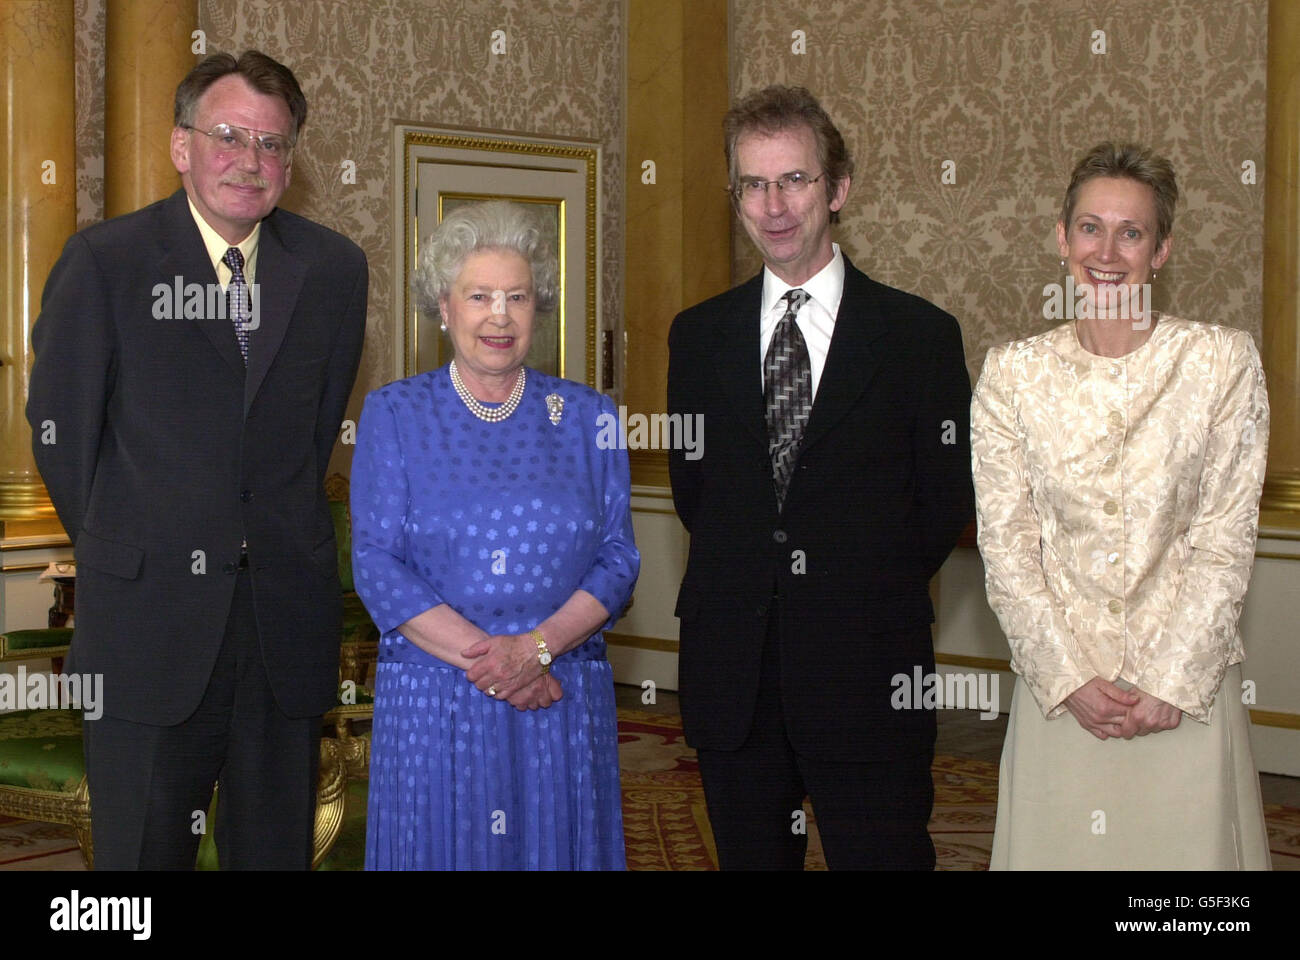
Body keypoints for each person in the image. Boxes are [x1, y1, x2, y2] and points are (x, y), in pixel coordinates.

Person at [26, 50, 367, 870]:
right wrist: (135, 543)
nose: (252, 162)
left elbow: (314, 434)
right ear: (181, 146)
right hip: (148, 629)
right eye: (229, 137)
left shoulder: (331, 271)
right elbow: (61, 433)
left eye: (273, 144)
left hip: (281, 626)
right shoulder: (106, 263)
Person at [666, 85, 974, 870]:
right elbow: (695, 493)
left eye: (794, 180)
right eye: (753, 184)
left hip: (868, 672)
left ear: (837, 190)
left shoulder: (919, 338)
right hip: (735, 676)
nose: (774, 205)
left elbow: (943, 505)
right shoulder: (698, 338)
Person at [973, 142, 1272, 870]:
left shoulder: (1220, 364)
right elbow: (1007, 547)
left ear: (1162, 248)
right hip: (1064, 699)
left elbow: (1225, 540)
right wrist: (1070, 677)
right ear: (1061, 237)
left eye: (1131, 232)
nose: (1107, 252)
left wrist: (1170, 681)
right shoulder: (1013, 376)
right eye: (1089, 228)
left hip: (1185, 696)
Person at [351, 201, 638, 870]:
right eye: (479, 296)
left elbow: (619, 557)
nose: (499, 315)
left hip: (561, 691)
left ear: (539, 309)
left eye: (517, 296)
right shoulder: (394, 414)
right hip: (438, 697)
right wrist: (504, 663)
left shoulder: (589, 415)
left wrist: (539, 650)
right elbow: (376, 564)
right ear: (444, 308)